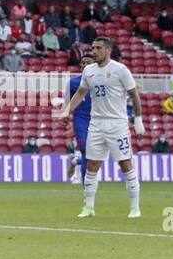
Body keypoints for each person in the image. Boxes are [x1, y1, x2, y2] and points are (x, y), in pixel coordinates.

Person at [57, 37, 142, 218]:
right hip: (96, 124)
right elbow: (80, 93)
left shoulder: (121, 70)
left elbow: (134, 96)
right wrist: (66, 111)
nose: (94, 51)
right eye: (93, 47)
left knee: (125, 164)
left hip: (117, 124)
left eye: (98, 48)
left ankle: (135, 207)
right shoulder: (89, 71)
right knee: (92, 166)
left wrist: (138, 120)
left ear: (108, 50)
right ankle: (89, 207)